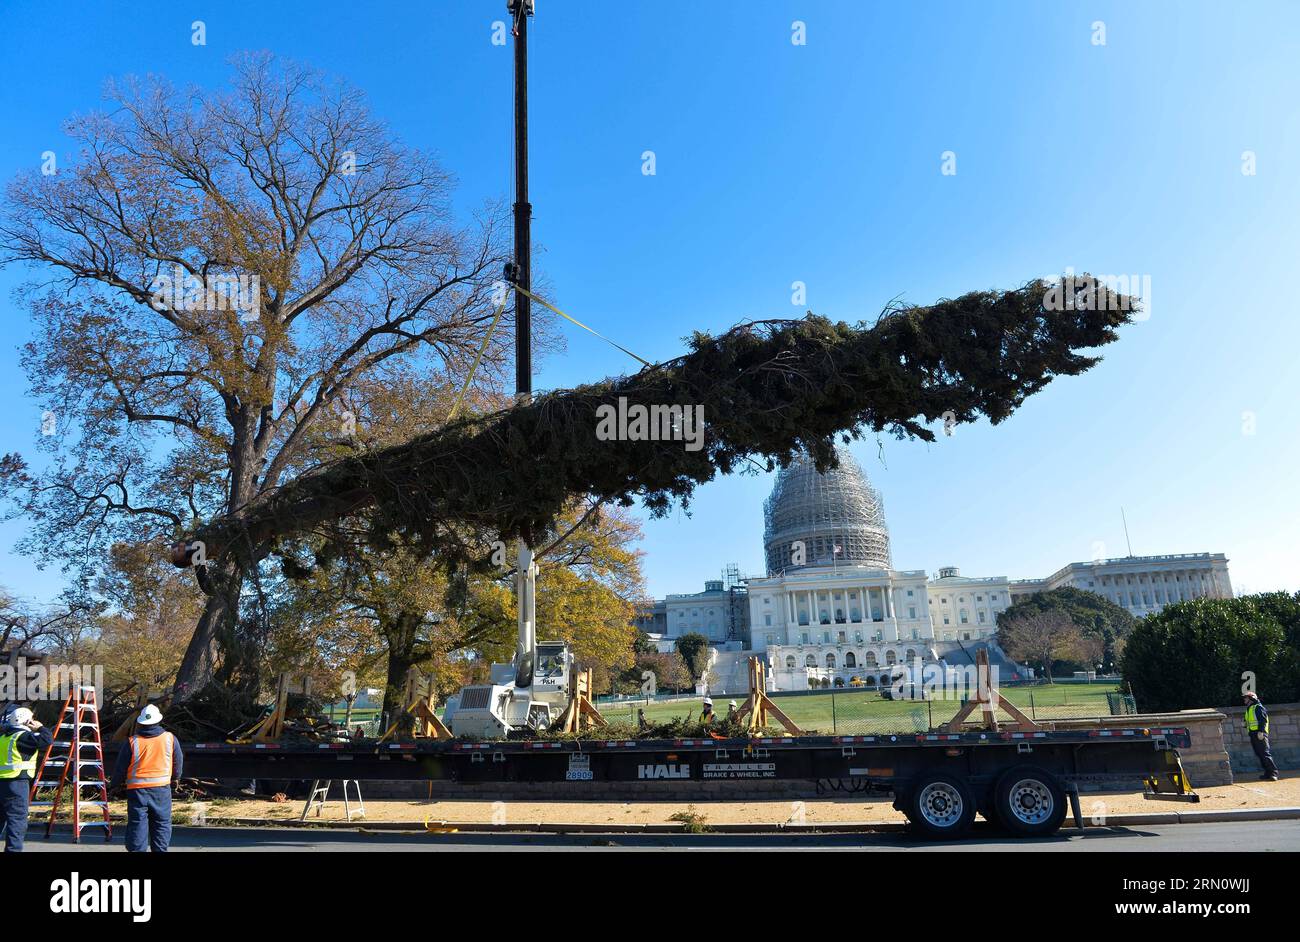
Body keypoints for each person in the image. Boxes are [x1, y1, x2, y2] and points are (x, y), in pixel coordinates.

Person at [109, 704, 183, 852]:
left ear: (141, 723)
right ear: (158, 721)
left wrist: (114, 785)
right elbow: (178, 762)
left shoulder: (132, 742)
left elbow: (120, 768)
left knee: (137, 823)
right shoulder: (170, 739)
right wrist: (175, 778)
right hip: (161, 789)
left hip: (137, 791)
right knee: (161, 823)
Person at [0, 705, 53, 852]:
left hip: (2, 783)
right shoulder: (23, 737)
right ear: (27, 721)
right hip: (16, 784)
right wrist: (41, 728)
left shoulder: (3, 738)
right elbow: (47, 740)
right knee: (17, 821)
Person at [1243, 692, 1280, 781]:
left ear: (1251, 699)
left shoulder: (1258, 707)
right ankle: (1268, 773)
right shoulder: (1249, 708)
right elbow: (1249, 720)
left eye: (1246, 698)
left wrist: (1261, 732)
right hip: (1253, 734)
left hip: (1259, 734)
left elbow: (1263, 720)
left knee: (1265, 753)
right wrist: (1245, 723)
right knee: (1260, 754)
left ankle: (1273, 773)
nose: (1244, 699)